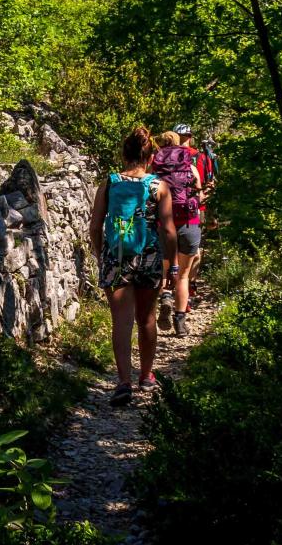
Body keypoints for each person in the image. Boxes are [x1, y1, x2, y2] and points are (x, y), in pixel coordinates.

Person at [89, 125, 178, 407]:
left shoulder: (110, 183)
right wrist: (172, 265)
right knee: (147, 318)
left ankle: (123, 381)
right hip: (149, 258)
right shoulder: (159, 186)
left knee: (122, 321)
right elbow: (168, 230)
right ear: (150, 157)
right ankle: (147, 375)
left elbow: (96, 224)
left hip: (116, 258)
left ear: (124, 154)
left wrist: (100, 254)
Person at [150, 128, 202, 337]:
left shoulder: (155, 168)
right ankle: (180, 323)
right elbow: (199, 190)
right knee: (183, 275)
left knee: (164, 270)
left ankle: (165, 298)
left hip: (164, 225)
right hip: (189, 223)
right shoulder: (189, 166)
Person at [174, 123, 212, 298]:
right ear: (191, 136)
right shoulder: (202, 157)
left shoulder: (165, 157)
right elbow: (210, 185)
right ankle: (189, 284)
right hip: (197, 208)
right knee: (194, 251)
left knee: (174, 250)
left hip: (170, 208)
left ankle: (172, 288)